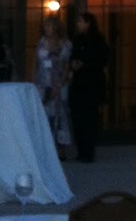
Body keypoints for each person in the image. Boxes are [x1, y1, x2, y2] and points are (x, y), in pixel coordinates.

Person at [67, 11, 110, 163]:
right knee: (77, 118)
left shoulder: (98, 40)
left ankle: (88, 152)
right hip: (78, 83)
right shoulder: (76, 39)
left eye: (80, 21)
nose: (78, 24)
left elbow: (103, 59)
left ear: (88, 23)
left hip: (92, 83)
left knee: (89, 119)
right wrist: (73, 64)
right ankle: (81, 151)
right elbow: (71, 56)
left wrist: (85, 64)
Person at [33, 15, 72, 160]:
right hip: (42, 83)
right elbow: (36, 62)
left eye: (49, 26)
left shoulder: (65, 45)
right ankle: (46, 148)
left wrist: (61, 83)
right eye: (45, 26)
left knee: (60, 115)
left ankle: (61, 148)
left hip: (58, 83)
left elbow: (67, 66)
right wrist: (32, 80)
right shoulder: (42, 43)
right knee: (44, 114)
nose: (46, 29)